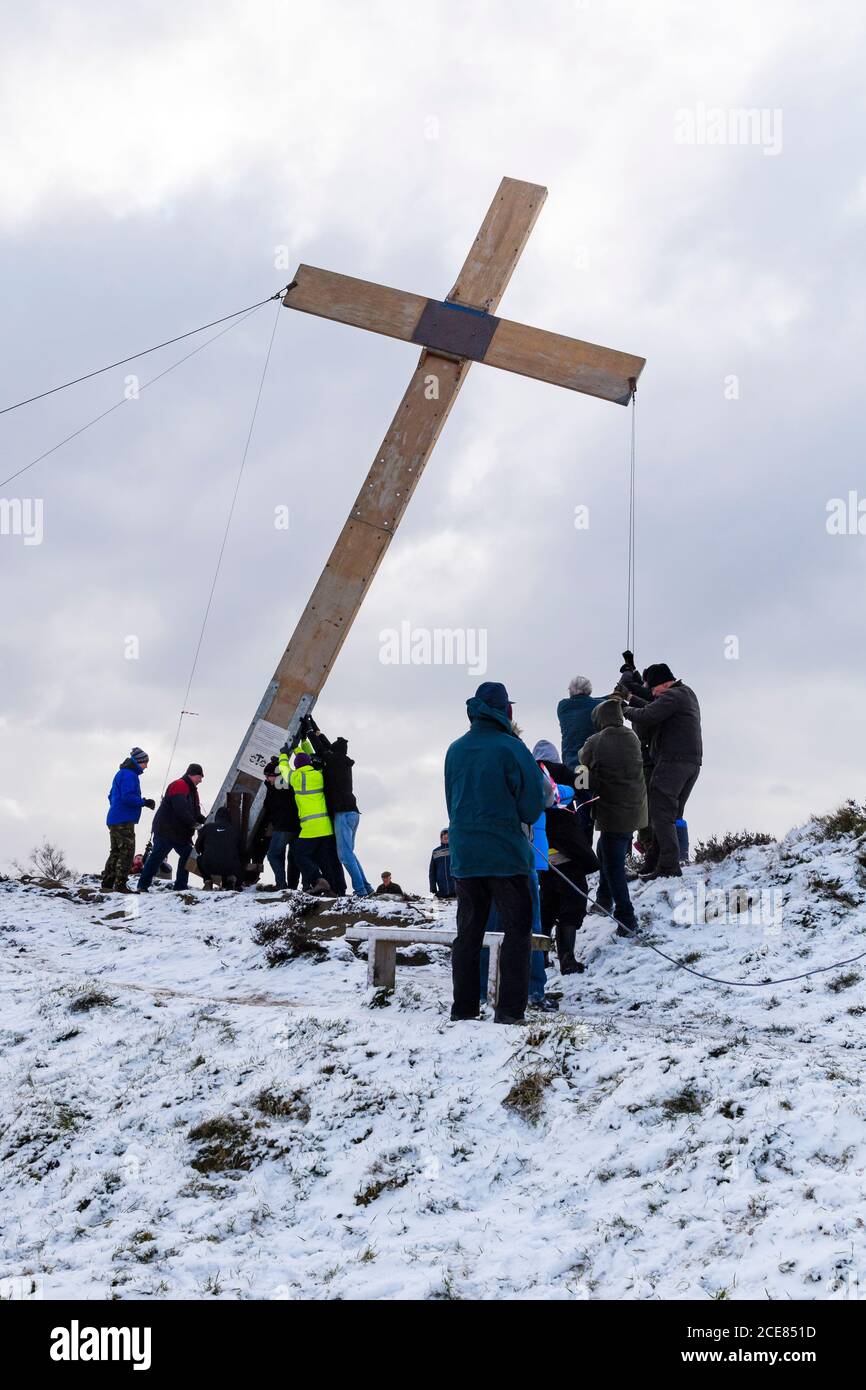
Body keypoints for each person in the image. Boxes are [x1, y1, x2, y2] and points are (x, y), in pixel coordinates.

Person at [445, 680, 546, 1026]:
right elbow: (532, 807)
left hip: (466, 855)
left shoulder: (454, 750)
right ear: (506, 710)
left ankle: (463, 1008)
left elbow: (452, 801)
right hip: (506, 855)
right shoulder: (513, 748)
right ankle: (509, 1011)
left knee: (468, 932)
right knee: (516, 932)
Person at [620, 663, 702, 881]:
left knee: (660, 812)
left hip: (673, 761)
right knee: (668, 814)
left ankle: (668, 865)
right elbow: (653, 707)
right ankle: (654, 861)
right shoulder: (685, 694)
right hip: (690, 763)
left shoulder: (674, 696)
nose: (652, 692)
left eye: (653, 688)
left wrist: (623, 708)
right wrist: (631, 699)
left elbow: (648, 715)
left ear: (664, 683)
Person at [578, 700, 647, 934]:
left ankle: (626, 918)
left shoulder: (595, 741)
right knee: (605, 850)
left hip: (612, 813)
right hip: (635, 811)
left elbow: (582, 762)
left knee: (614, 865)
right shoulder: (632, 738)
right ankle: (603, 900)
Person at [531, 739, 598, 974]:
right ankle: (567, 959)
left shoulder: (529, 774)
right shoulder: (563, 772)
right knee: (573, 902)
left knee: (547, 906)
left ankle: (540, 957)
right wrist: (584, 770)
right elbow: (586, 790)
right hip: (566, 852)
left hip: (541, 855)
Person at [306, 720, 374, 896]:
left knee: (344, 856)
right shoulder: (342, 761)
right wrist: (313, 724)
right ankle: (366, 887)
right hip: (353, 813)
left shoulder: (334, 760)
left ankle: (361, 891)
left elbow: (320, 748)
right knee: (349, 853)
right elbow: (327, 746)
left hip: (343, 814)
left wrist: (309, 732)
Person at [278, 746, 346, 895]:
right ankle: (334, 890)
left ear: (297, 766)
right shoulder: (319, 774)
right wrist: (297, 748)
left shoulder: (296, 778)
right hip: (326, 826)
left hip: (310, 828)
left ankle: (318, 879)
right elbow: (308, 757)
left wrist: (283, 755)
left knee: (299, 855)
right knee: (326, 859)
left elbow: (283, 768)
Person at [137, 764, 206, 892]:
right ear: (192, 774)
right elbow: (181, 809)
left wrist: (206, 821)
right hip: (166, 830)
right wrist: (194, 824)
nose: (200, 780)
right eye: (199, 777)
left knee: (187, 855)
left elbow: (196, 813)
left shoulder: (193, 791)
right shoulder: (179, 785)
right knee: (157, 857)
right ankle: (142, 885)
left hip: (179, 833)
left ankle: (180, 887)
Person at [102, 747, 155, 893]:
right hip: (124, 819)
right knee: (127, 851)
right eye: (145, 763)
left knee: (116, 852)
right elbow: (127, 797)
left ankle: (107, 883)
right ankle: (120, 885)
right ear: (139, 761)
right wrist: (144, 802)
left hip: (114, 817)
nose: (146, 766)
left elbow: (111, 796)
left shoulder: (121, 773)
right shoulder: (130, 775)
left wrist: (116, 808)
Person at [262, 757, 301, 890]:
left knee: (273, 855)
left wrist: (269, 787)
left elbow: (269, 805)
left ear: (276, 775)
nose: (267, 779)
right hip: (297, 827)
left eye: (269, 776)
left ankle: (282, 885)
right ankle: (292, 886)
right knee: (294, 857)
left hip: (282, 827)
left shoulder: (276, 788)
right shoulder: (291, 783)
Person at [195, 806, 243, 889]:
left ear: (216, 817)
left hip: (209, 866)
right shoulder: (234, 830)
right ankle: (235, 884)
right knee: (233, 859)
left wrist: (206, 851)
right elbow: (241, 850)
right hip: (230, 867)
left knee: (199, 859)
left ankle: (208, 881)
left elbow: (197, 848)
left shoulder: (207, 828)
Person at [428, 829, 456, 899]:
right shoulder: (435, 852)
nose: (445, 836)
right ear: (441, 838)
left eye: (447, 835)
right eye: (443, 835)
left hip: (456, 889)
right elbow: (432, 871)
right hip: (442, 891)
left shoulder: (455, 849)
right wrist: (432, 887)